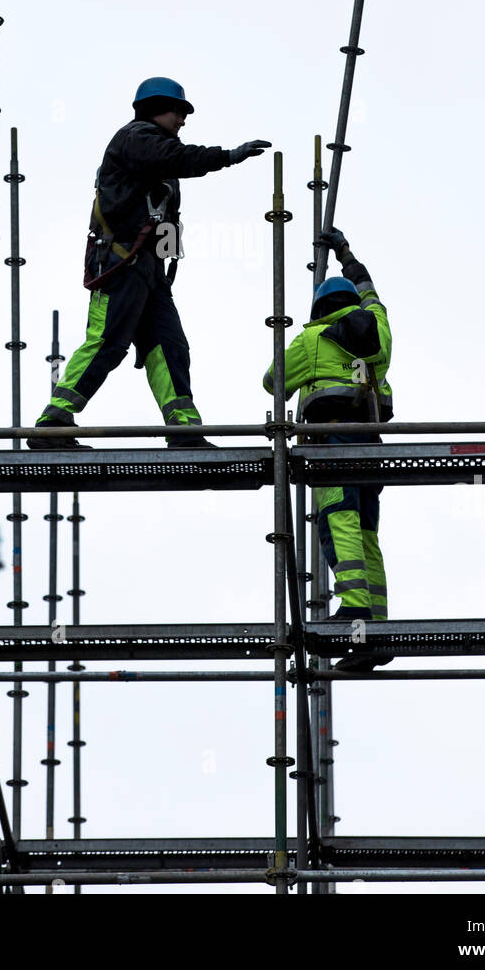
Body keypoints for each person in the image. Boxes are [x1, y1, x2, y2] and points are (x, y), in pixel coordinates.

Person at [28, 77, 270, 450]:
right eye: (179, 112)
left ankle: (184, 430)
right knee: (106, 341)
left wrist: (165, 267)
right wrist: (227, 156)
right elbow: (178, 158)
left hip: (149, 273)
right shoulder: (136, 139)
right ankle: (53, 421)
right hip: (120, 263)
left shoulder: (159, 161)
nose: (183, 120)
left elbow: (165, 218)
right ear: (157, 107)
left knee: (169, 345)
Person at [263, 227, 393, 670]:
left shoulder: (310, 340)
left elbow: (271, 382)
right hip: (371, 449)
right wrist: (346, 253)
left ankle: (355, 609)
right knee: (367, 534)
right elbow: (373, 295)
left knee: (338, 522)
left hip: (333, 444)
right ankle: (375, 631)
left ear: (319, 308)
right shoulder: (379, 334)